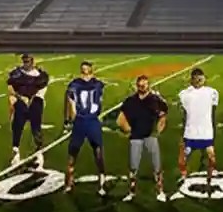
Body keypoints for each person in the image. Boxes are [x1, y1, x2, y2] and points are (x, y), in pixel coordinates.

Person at [117, 74, 169, 202]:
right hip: (135, 136)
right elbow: (121, 118)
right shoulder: (131, 101)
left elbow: (163, 115)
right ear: (137, 86)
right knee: (133, 166)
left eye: (144, 85)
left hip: (150, 135)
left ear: (148, 85)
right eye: (139, 86)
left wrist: (159, 129)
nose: (141, 88)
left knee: (156, 166)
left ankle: (160, 190)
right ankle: (131, 191)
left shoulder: (155, 100)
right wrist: (127, 129)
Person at [65, 61, 108, 195]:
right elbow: (71, 102)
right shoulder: (97, 84)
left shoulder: (76, 84)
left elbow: (70, 102)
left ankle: (101, 179)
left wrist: (68, 120)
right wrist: (69, 118)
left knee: (97, 151)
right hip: (83, 121)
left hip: (89, 120)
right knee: (74, 152)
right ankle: (70, 181)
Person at [177, 67, 220, 194]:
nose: (199, 81)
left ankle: (210, 178)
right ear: (192, 79)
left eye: (201, 78)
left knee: (212, 158)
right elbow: (184, 113)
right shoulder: (184, 94)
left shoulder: (212, 92)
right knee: (183, 157)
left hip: (206, 132)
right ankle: (184, 176)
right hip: (190, 132)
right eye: (196, 78)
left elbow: (212, 110)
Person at [7, 53, 50, 170]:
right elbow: (10, 87)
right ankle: (15, 153)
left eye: (29, 61)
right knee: (17, 126)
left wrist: (33, 98)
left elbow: (42, 89)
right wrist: (18, 98)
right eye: (25, 61)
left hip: (35, 101)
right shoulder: (16, 73)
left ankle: (39, 154)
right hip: (21, 101)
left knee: (36, 127)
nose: (27, 63)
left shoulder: (41, 75)